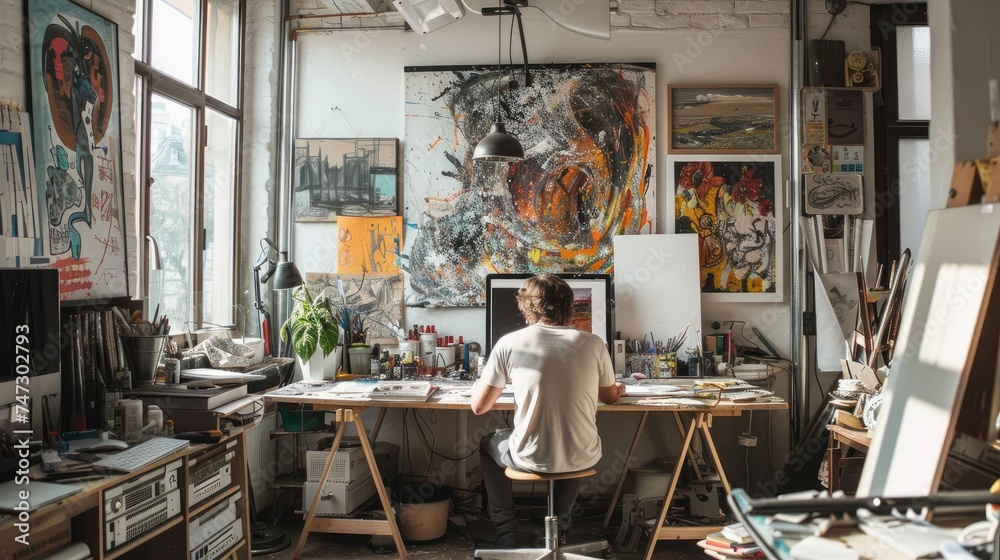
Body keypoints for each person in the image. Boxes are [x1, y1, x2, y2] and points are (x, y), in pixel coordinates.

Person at [470, 274, 626, 548]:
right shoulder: (594, 343)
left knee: (487, 444)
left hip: (529, 457)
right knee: (570, 441)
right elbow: (610, 397)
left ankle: (506, 532)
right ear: (569, 306)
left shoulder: (509, 343)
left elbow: (479, 407)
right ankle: (560, 529)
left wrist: (480, 384)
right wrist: (619, 388)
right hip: (583, 456)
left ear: (526, 307)